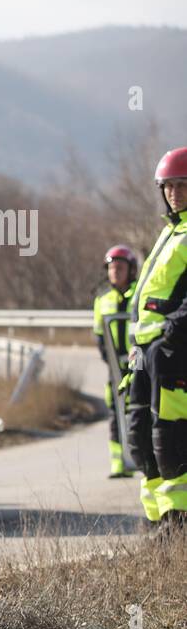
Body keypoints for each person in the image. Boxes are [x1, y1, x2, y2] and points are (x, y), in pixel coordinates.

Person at [125, 147, 187, 530]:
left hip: (172, 351)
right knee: (139, 436)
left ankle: (178, 522)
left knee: (170, 434)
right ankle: (156, 522)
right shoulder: (170, 232)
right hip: (144, 352)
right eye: (168, 186)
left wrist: (173, 332)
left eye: (182, 186)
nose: (175, 193)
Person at [94, 245, 137, 477]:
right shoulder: (102, 298)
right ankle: (118, 463)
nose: (115, 272)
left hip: (138, 365)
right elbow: (98, 332)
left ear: (131, 270)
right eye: (111, 268)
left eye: (120, 267)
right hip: (114, 366)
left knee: (139, 410)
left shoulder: (140, 293)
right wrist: (109, 360)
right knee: (115, 411)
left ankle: (141, 459)